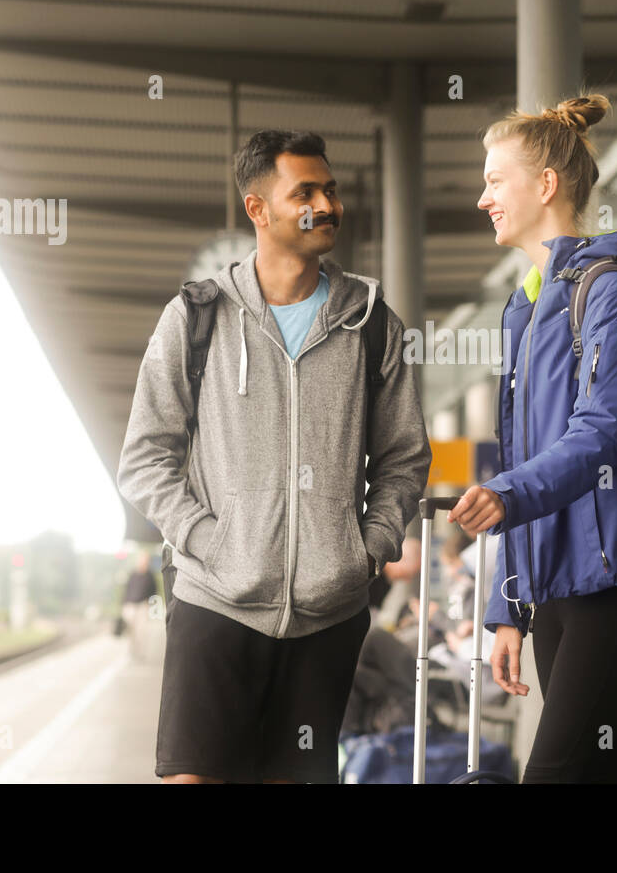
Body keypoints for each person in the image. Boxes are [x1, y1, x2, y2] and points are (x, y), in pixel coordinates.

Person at [117, 129, 431, 784]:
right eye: (306, 192)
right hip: (215, 604)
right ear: (258, 210)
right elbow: (145, 457)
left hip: (328, 614)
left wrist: (366, 547)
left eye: (331, 189)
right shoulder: (196, 318)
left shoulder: (371, 325)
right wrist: (209, 538)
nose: (327, 204)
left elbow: (403, 457)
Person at [447, 93, 617, 784]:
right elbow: (519, 455)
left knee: (550, 773)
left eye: (495, 180)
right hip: (552, 588)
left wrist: (507, 494)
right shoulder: (524, 304)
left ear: (545, 185)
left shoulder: (612, 292)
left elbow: (603, 433)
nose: (483, 197)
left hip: (613, 578)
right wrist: (507, 609)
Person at [120, 550, 157, 662]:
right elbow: (126, 590)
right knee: (130, 631)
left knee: (141, 631)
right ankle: (131, 652)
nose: (143, 562)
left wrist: (151, 606)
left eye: (145, 560)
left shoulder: (150, 575)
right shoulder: (132, 574)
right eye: (141, 559)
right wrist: (123, 605)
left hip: (143, 606)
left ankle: (140, 653)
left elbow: (154, 592)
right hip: (130, 606)